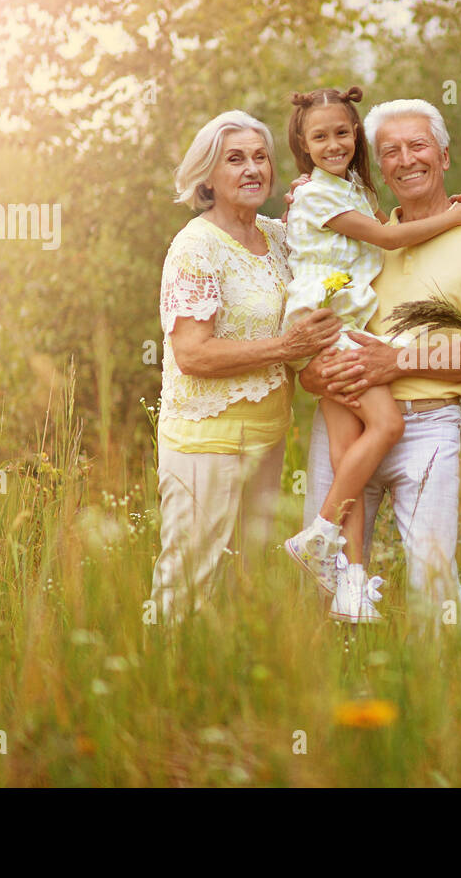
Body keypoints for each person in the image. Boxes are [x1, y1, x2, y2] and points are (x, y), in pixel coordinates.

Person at [298, 99, 461, 627]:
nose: (407, 160)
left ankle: (438, 699)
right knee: (326, 581)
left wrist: (395, 362)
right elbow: (309, 314)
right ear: (378, 164)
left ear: (445, 157)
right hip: (344, 420)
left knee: (434, 585)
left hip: (428, 430)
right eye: (391, 152)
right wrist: (310, 374)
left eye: (419, 146)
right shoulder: (363, 240)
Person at [149, 110, 342, 622]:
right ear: (209, 175)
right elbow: (192, 355)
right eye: (236, 159)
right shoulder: (195, 246)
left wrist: (322, 195)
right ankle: (167, 683)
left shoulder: (278, 237)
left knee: (247, 579)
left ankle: (229, 693)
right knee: (190, 578)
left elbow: (339, 253)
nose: (252, 169)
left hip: (267, 435)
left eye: (261, 158)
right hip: (205, 440)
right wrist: (286, 346)